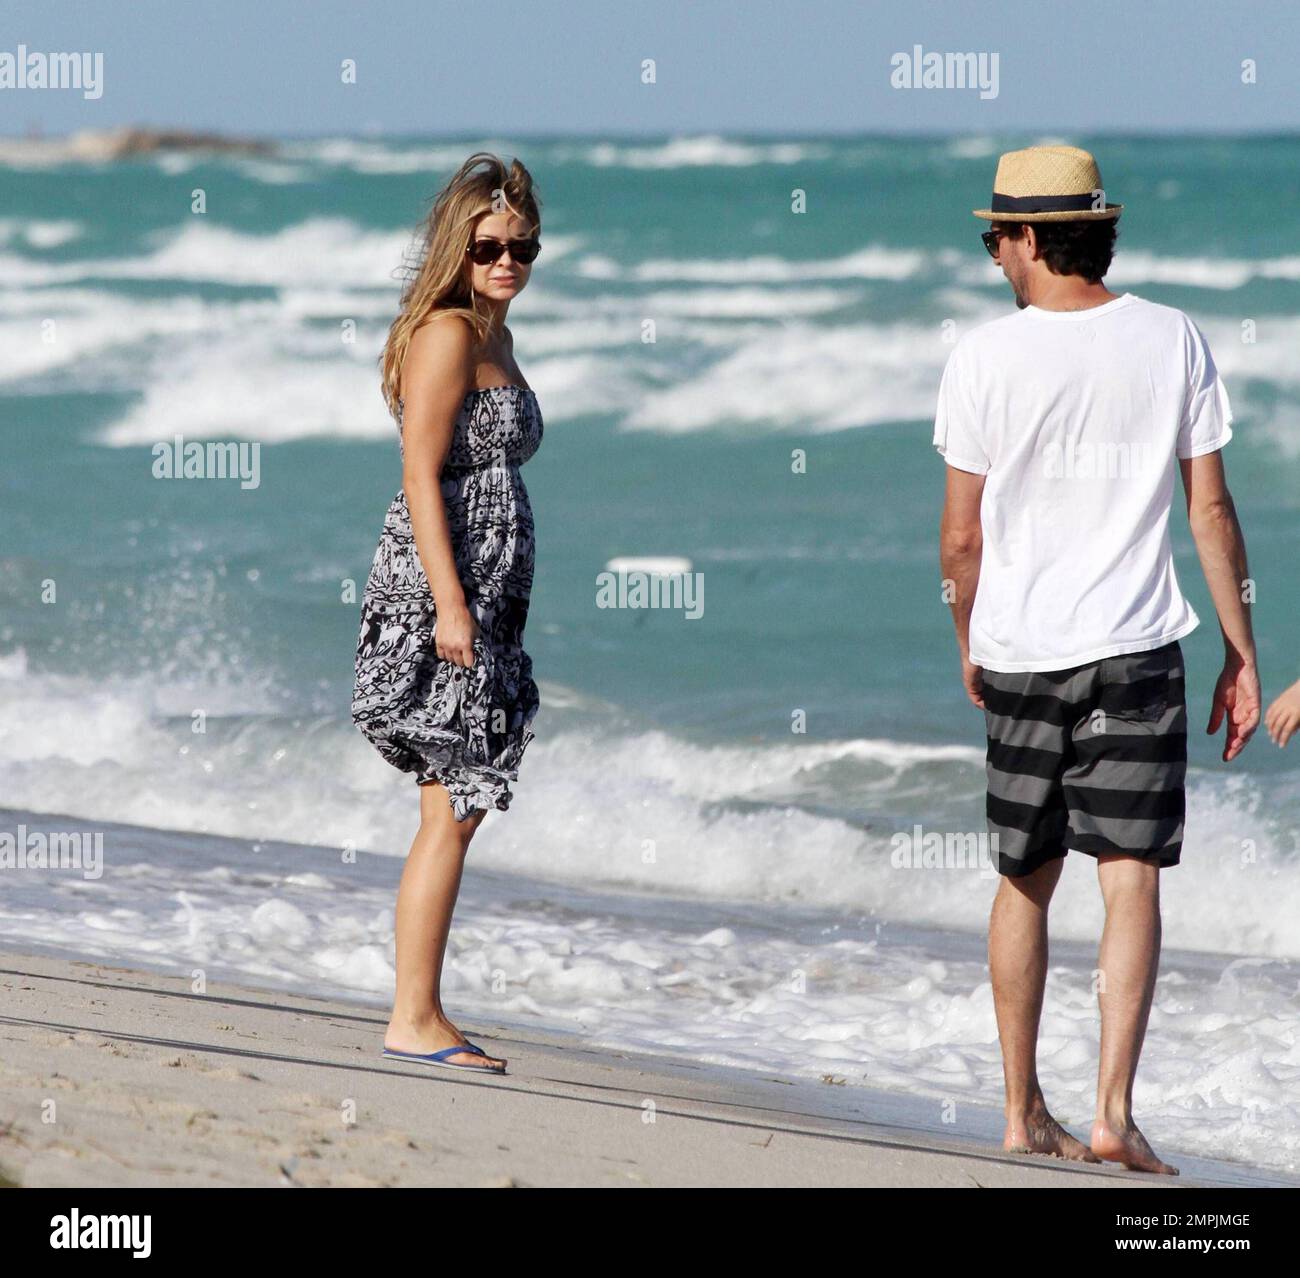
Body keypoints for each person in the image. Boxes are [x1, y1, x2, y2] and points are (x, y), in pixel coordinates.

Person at [935, 146, 1259, 1172]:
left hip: (1023, 651)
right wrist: (1241, 652)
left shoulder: (985, 355)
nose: (992, 254)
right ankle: (1113, 1114)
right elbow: (1208, 506)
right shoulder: (1171, 337)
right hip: (1136, 646)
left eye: (998, 236)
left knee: (1024, 879)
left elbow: (959, 538)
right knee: (1130, 880)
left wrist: (966, 638)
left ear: (1031, 239)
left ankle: (1021, 1111)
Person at [352, 153, 545, 1074]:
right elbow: (419, 476)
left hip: (485, 599)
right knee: (455, 806)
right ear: (456, 252)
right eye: (490, 249)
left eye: (523, 248)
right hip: (440, 595)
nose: (508, 262)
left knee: (456, 804)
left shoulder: (493, 334)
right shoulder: (446, 335)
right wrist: (452, 605)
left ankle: (420, 1010)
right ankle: (414, 1016)